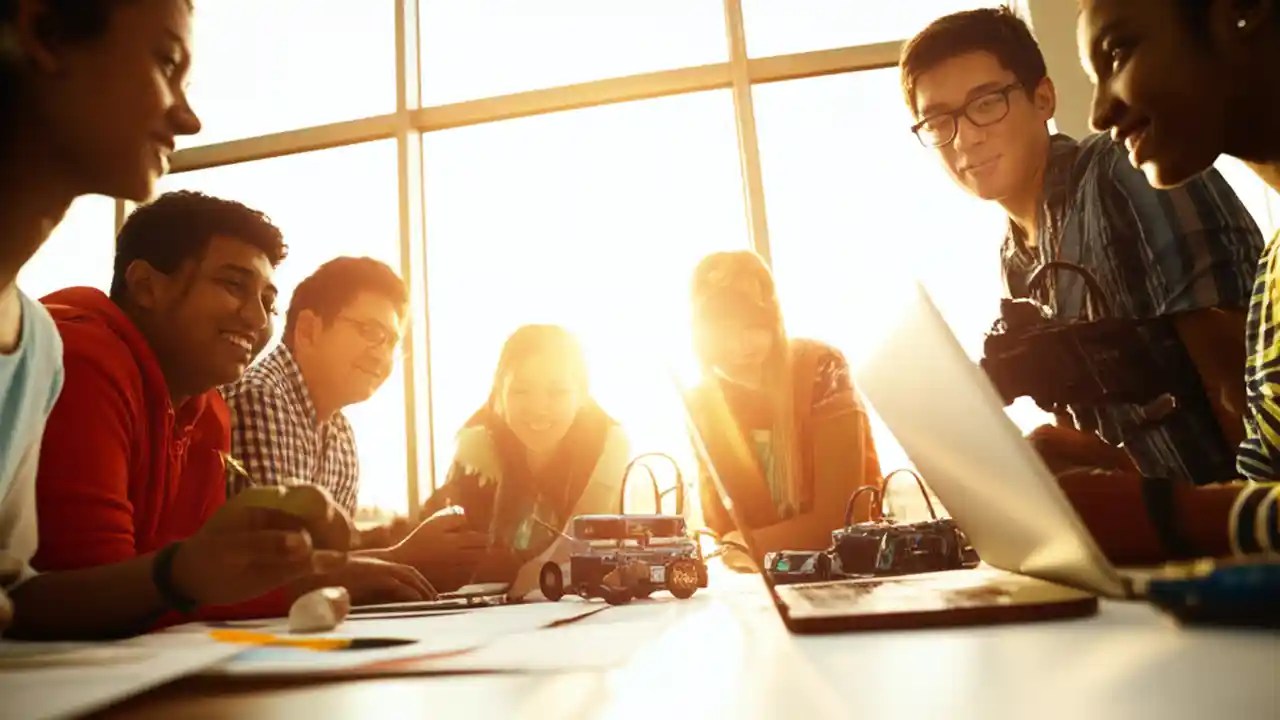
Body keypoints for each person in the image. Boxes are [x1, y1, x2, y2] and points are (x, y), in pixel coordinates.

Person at [0, 0, 366, 639]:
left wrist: (192, 574)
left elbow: (23, 598)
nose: (188, 117)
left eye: (268, 300)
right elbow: (92, 584)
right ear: (43, 32)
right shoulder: (82, 356)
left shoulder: (38, 349)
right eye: (166, 63)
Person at [33, 191, 441, 630]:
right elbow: (102, 598)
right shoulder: (83, 360)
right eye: (233, 285)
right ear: (146, 286)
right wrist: (317, 581)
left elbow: (198, 581)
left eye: (268, 302)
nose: (257, 319)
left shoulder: (207, 412)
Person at [901, 7, 1264, 494]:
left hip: (1236, 518)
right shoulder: (1015, 259)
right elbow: (1103, 439)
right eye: (937, 120)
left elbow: (1236, 376)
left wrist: (1252, 525)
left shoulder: (1127, 171)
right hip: (1157, 522)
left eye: (986, 103)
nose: (965, 136)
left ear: (1043, 98)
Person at [1055, 0, 1280, 562]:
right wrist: (1124, 483)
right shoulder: (1273, 272)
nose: (1099, 114)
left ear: (1241, 12)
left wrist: (1171, 514)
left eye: (1118, 53)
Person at [685, 251, 883, 561]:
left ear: (774, 320)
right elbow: (724, 530)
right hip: (763, 580)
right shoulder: (703, 404)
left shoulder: (820, 368)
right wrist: (744, 546)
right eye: (724, 331)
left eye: (754, 326)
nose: (741, 346)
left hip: (849, 570)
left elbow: (844, 520)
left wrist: (751, 545)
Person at [420, 325, 630, 597]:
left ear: (581, 397)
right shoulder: (477, 450)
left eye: (557, 392)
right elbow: (449, 562)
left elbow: (582, 544)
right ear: (499, 395)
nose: (539, 408)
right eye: (520, 391)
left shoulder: (607, 447)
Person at [225, 256, 409, 517]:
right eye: (371, 331)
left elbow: (338, 542)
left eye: (391, 342)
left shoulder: (341, 434)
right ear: (308, 330)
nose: (383, 356)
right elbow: (277, 539)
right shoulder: (261, 398)